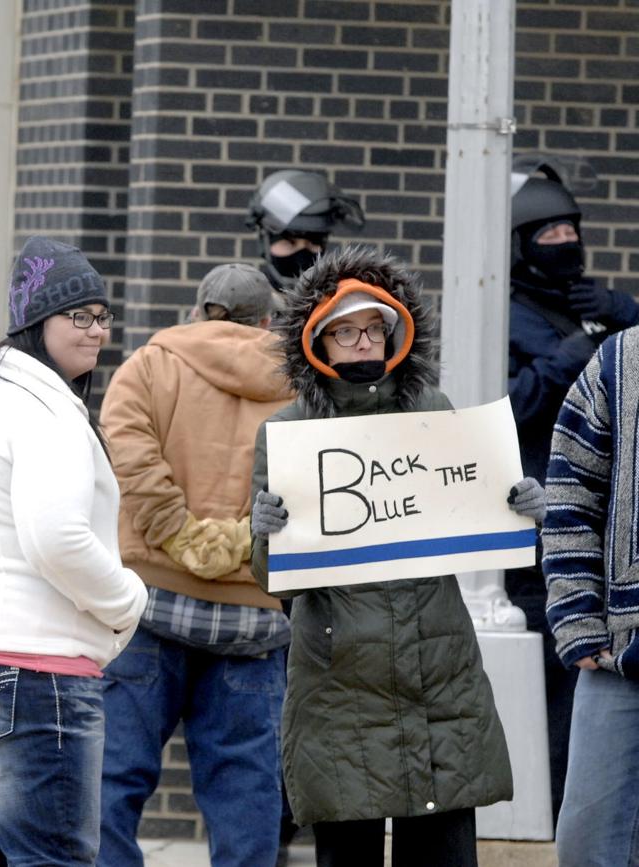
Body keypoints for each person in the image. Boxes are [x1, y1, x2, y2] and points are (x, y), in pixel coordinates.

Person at [249, 245, 538, 867]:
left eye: (374, 329)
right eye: (345, 331)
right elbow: (276, 583)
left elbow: (478, 514)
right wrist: (265, 534)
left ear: (395, 335)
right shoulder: (288, 433)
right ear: (318, 344)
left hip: (439, 675)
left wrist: (519, 505)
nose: (362, 342)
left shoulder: (434, 414)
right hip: (339, 686)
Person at [0, 235, 147, 862]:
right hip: (28, 665)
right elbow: (56, 539)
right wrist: (128, 601)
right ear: (36, 322)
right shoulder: (46, 410)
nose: (97, 331)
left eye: (102, 316)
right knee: (50, 858)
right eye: (79, 317)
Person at [97, 263, 294, 866]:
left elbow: (129, 458)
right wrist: (240, 542)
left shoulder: (147, 367)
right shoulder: (303, 388)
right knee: (246, 794)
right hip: (253, 620)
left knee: (111, 781)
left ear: (198, 310)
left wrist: (178, 535)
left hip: (149, 607)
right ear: (269, 321)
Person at [505, 159, 639, 823]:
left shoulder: (596, 309)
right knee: (565, 706)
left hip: (615, 546)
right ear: (519, 247)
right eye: (547, 234)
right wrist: (568, 357)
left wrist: (622, 312)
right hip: (542, 539)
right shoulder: (500, 318)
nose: (564, 243)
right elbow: (502, 411)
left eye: (570, 230)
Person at [543, 331, 639, 867]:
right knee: (587, 844)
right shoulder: (619, 361)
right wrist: (576, 616)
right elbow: (571, 493)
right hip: (620, 653)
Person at [246, 169, 364, 296]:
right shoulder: (243, 302)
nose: (302, 258)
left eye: (313, 241)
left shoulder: (337, 302)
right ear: (264, 241)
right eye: (290, 242)